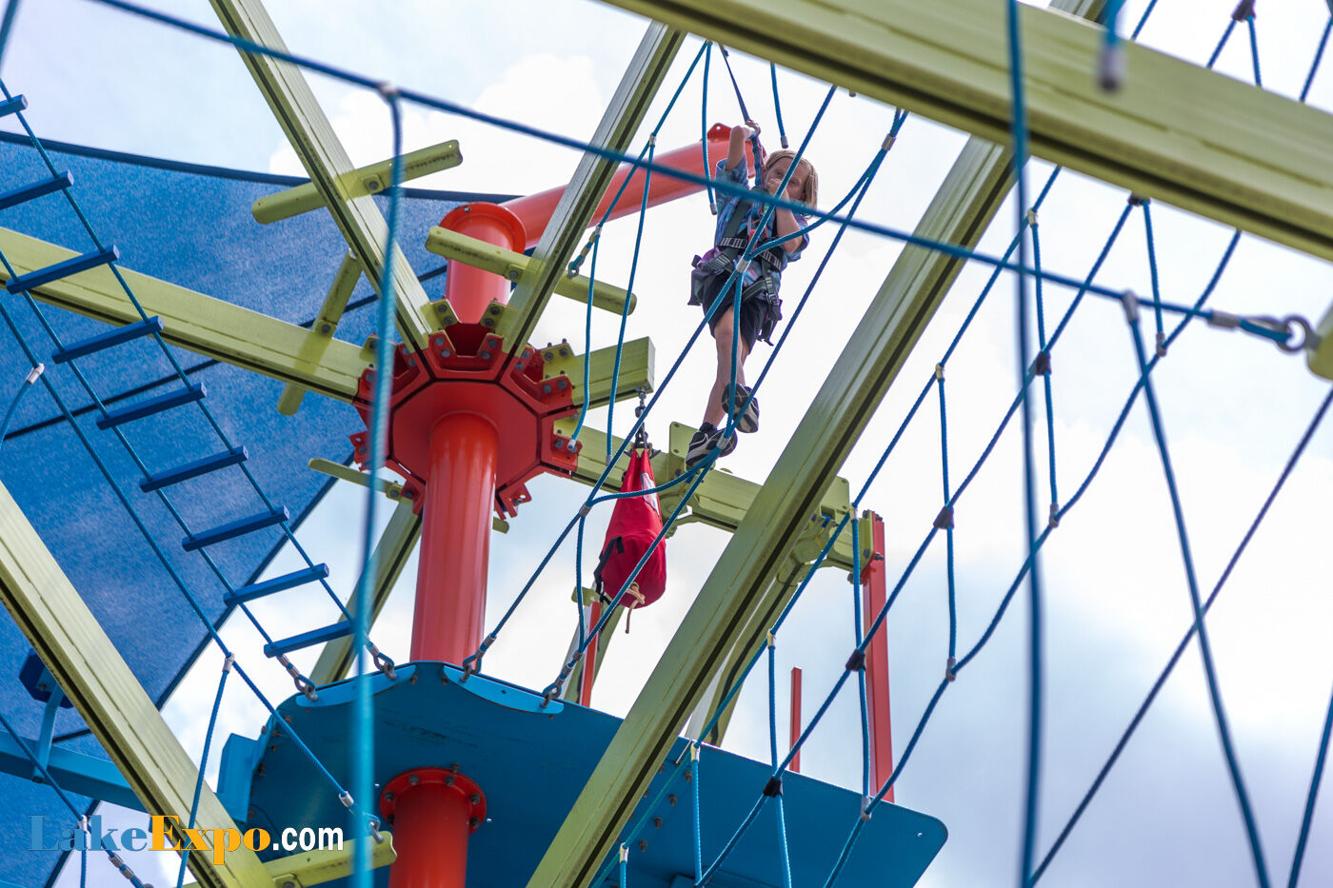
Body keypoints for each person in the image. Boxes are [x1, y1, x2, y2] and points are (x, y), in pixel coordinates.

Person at [686, 120, 818, 468]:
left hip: (760, 292)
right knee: (726, 337)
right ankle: (739, 396)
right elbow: (731, 165)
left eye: (793, 183)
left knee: (733, 357)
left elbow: (791, 242)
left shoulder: (796, 219)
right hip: (725, 275)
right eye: (777, 173)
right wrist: (741, 136)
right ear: (763, 171)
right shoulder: (739, 196)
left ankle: (705, 431)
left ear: (802, 195)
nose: (782, 182)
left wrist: (781, 202)